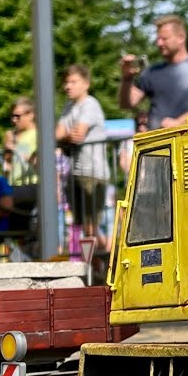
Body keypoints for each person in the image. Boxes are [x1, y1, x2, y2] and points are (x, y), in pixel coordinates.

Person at [119, 15, 188, 130]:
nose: (159, 43)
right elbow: (127, 104)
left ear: (181, 38)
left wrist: (177, 123)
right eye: (158, 39)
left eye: (164, 39)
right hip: (156, 143)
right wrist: (127, 78)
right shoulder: (152, 71)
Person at [57, 64, 110, 253]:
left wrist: (65, 137)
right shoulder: (68, 107)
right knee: (79, 225)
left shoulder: (90, 104)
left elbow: (78, 134)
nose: (68, 86)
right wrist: (64, 137)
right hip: (75, 171)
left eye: (73, 82)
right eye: (66, 82)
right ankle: (98, 262)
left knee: (90, 226)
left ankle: (106, 257)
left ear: (86, 84)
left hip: (93, 172)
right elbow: (59, 133)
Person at [4, 97, 38, 186]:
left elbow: (37, 161)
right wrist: (7, 151)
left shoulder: (38, 135)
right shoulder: (15, 135)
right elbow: (9, 165)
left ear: (31, 115)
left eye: (17, 116)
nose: (14, 120)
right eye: (12, 116)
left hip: (30, 186)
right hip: (13, 186)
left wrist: (14, 147)